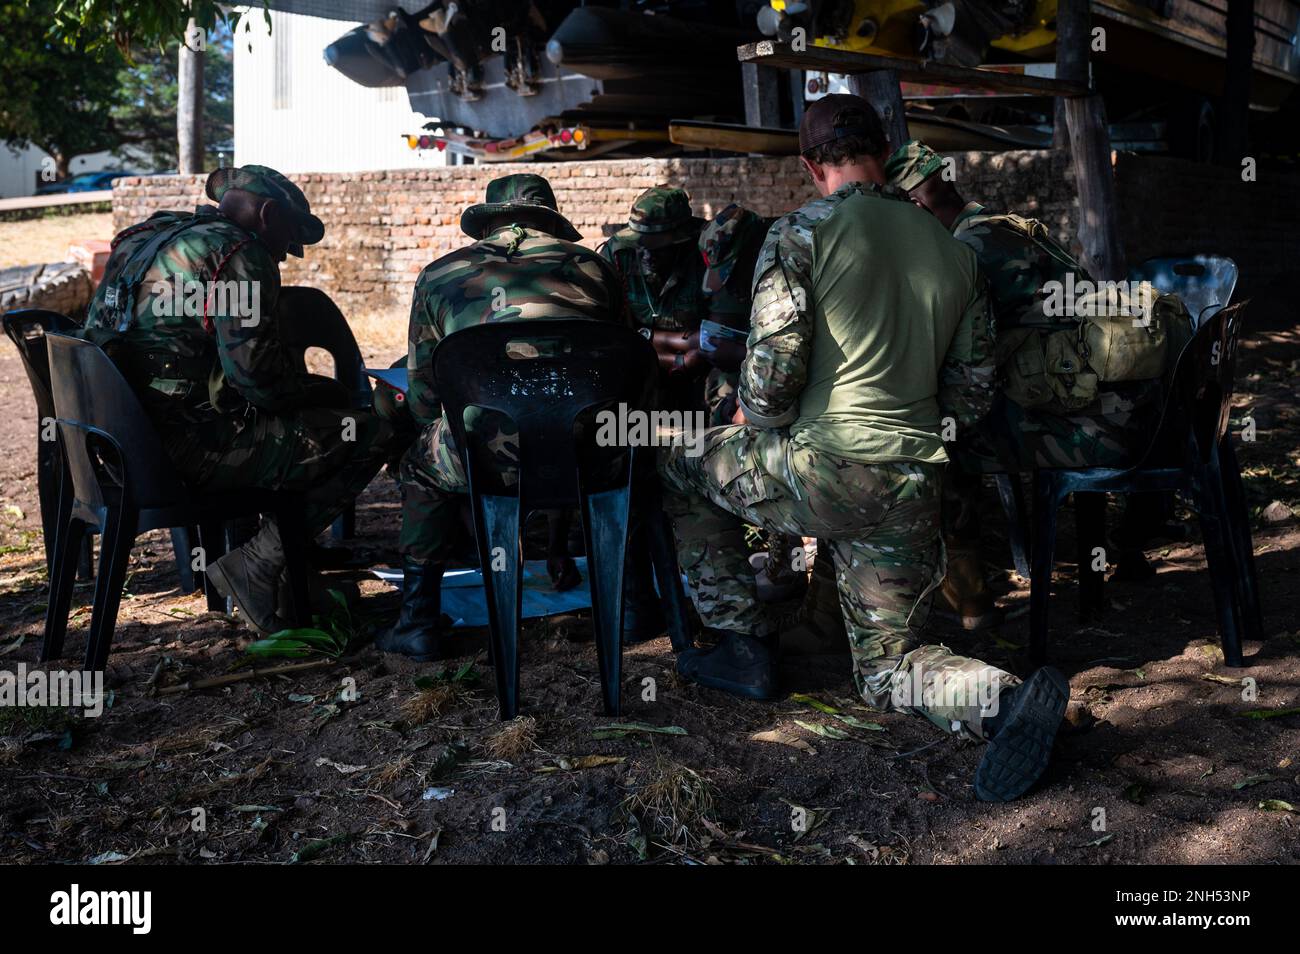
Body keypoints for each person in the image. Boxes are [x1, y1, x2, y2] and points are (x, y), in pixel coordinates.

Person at [659, 95, 1069, 802]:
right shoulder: (952, 248)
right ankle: (1001, 700)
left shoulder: (798, 234)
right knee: (888, 670)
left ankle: (741, 642)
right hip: (913, 484)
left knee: (673, 459)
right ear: (887, 152)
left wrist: (756, 420)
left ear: (810, 164)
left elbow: (769, 386)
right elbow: (969, 398)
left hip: (824, 472)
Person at [82, 164, 395, 634]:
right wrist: (318, 392)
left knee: (313, 418)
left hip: (108, 444)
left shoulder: (146, 236)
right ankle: (259, 563)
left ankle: (289, 570)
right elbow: (259, 383)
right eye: (288, 242)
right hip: (182, 452)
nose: (286, 259)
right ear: (268, 214)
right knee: (377, 429)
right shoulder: (238, 255)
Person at [884, 140, 1188, 611]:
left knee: (941, 442)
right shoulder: (1008, 228)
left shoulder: (966, 254)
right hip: (1140, 413)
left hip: (1097, 429)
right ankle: (1126, 546)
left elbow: (959, 360)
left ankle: (969, 597)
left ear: (914, 206)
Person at [381, 173, 631, 661]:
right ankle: (637, 604)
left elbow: (425, 395)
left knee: (418, 465)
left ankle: (418, 621)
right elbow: (626, 369)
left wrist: (443, 428)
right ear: (550, 219)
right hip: (596, 454)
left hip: (484, 456)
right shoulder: (597, 269)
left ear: (488, 222)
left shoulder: (439, 274)